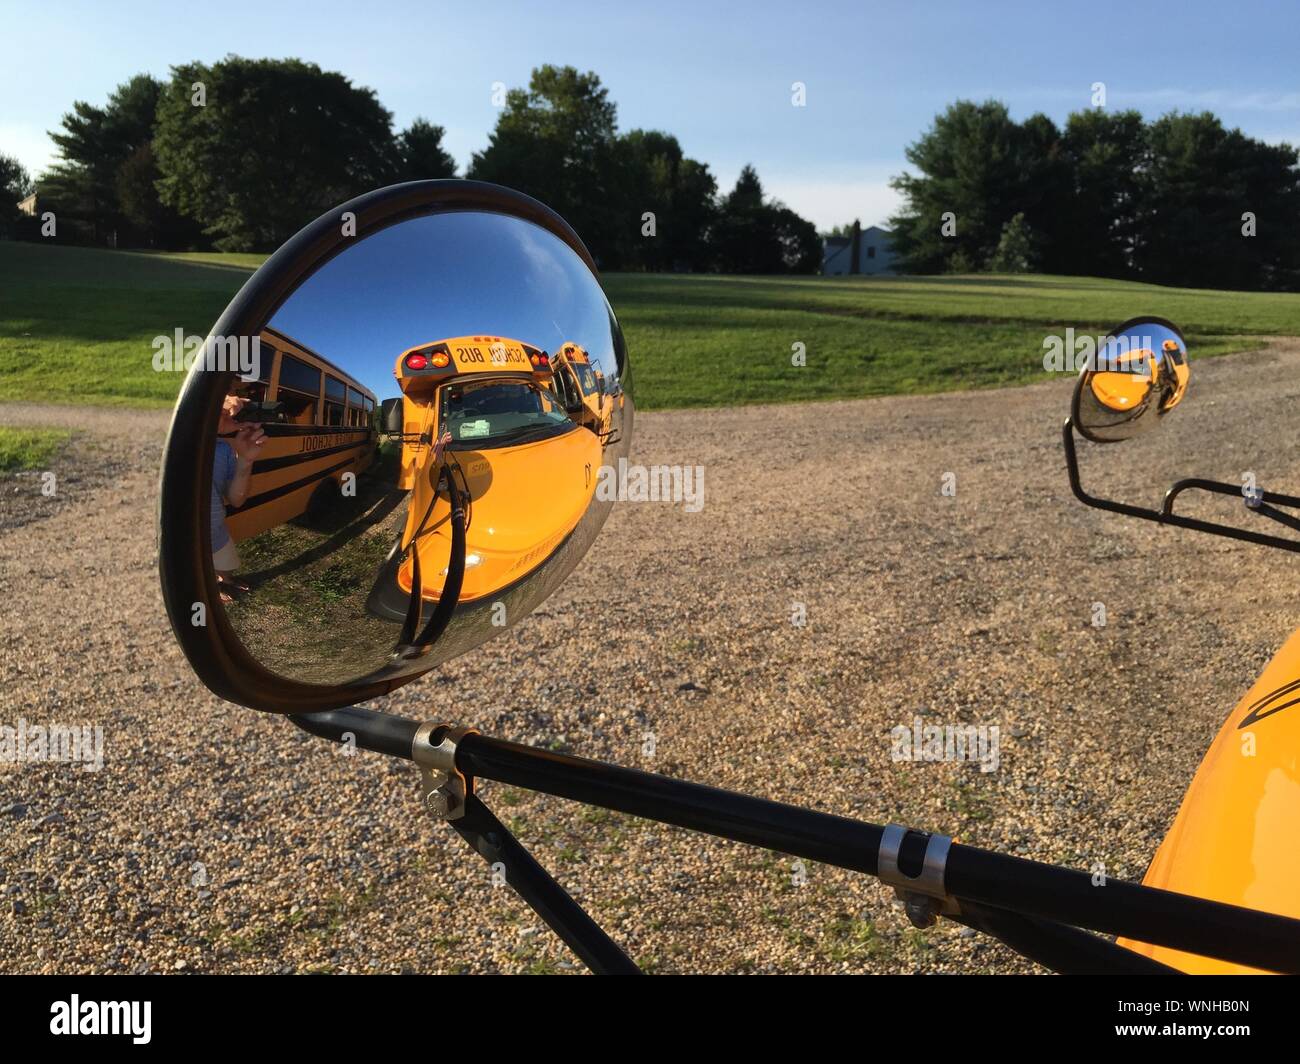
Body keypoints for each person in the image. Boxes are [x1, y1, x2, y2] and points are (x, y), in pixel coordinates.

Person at [212, 394, 267, 604]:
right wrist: (211, 410)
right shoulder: (177, 439)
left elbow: (236, 499)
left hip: (216, 531)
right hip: (186, 541)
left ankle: (225, 579)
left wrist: (245, 460)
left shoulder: (224, 448)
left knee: (227, 566)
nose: (236, 414)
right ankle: (212, 587)